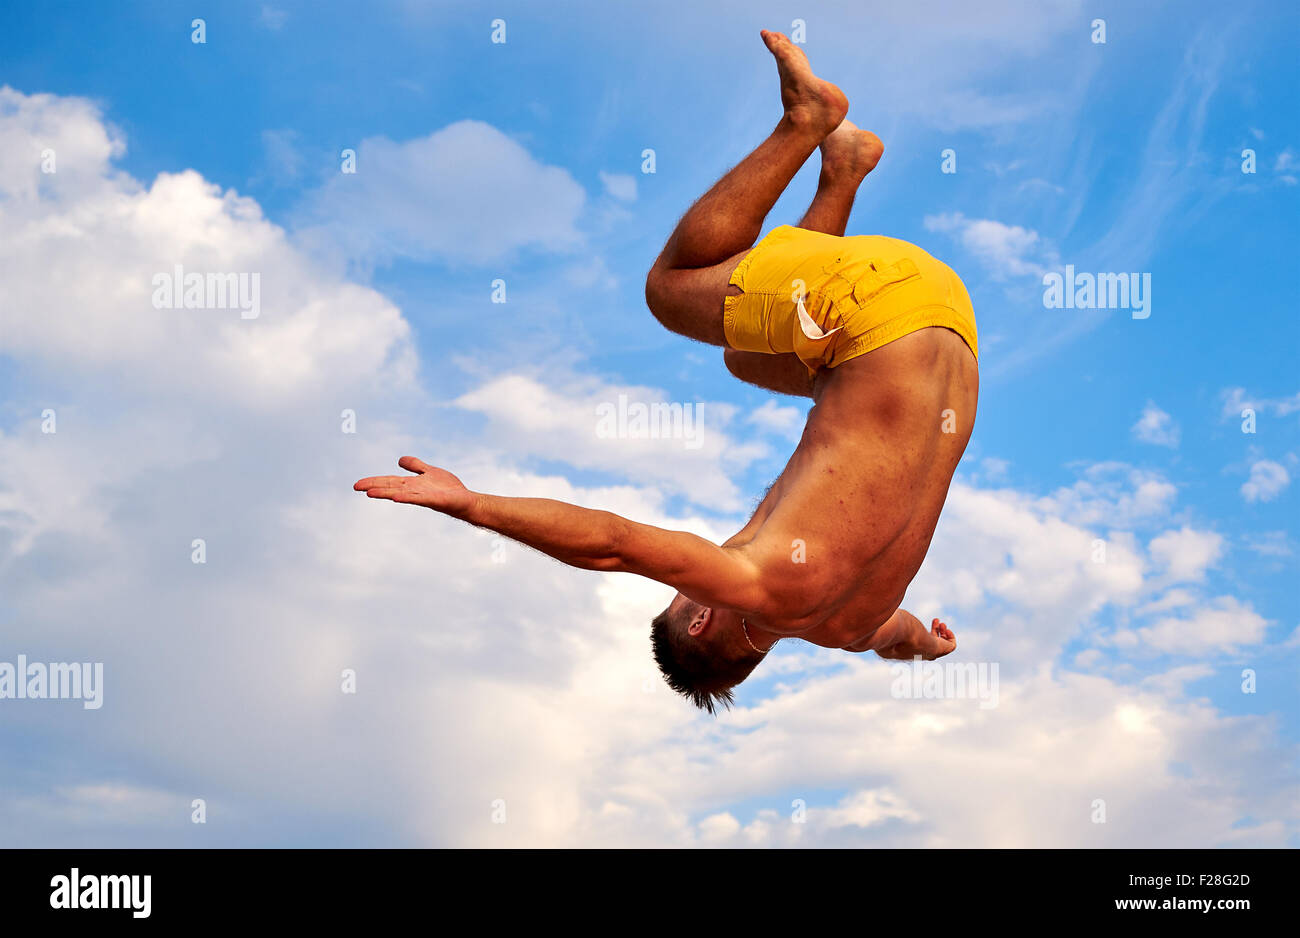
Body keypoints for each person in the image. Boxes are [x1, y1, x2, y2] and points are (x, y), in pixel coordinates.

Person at [355, 30, 976, 714]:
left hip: (949, 336)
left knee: (747, 359)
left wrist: (932, 648)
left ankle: (845, 168)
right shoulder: (755, 583)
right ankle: (807, 122)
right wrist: (473, 505)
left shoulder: (850, 626)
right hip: (879, 303)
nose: (697, 568)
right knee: (671, 288)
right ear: (703, 617)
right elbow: (613, 545)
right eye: (683, 592)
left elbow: (900, 638)